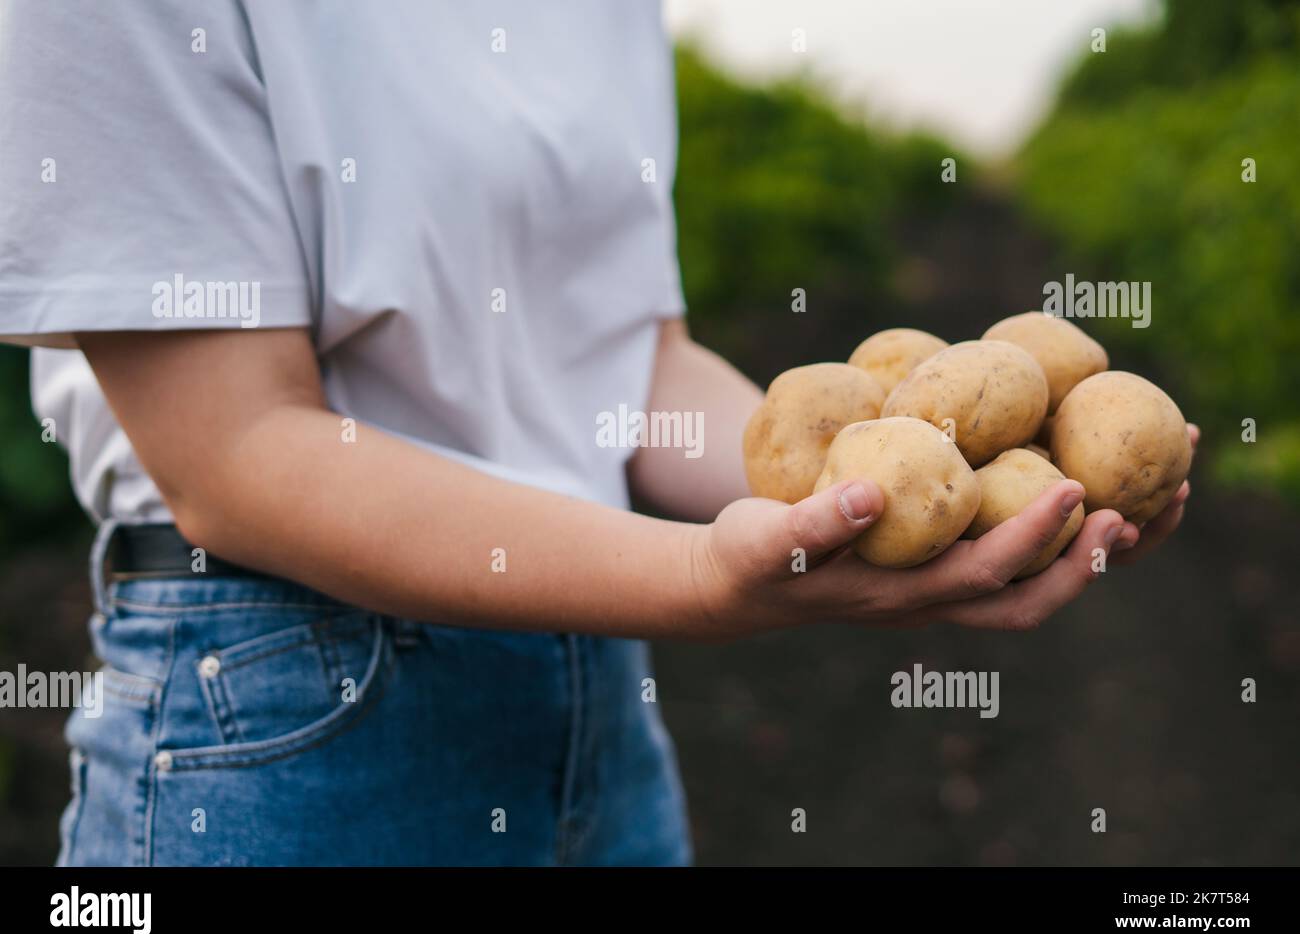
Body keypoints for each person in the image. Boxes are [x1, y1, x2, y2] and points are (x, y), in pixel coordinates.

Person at [0, 1, 1191, 866]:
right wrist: (695, 574)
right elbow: (236, 455)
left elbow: (627, 361)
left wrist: (845, 485)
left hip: (597, 684)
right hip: (286, 713)